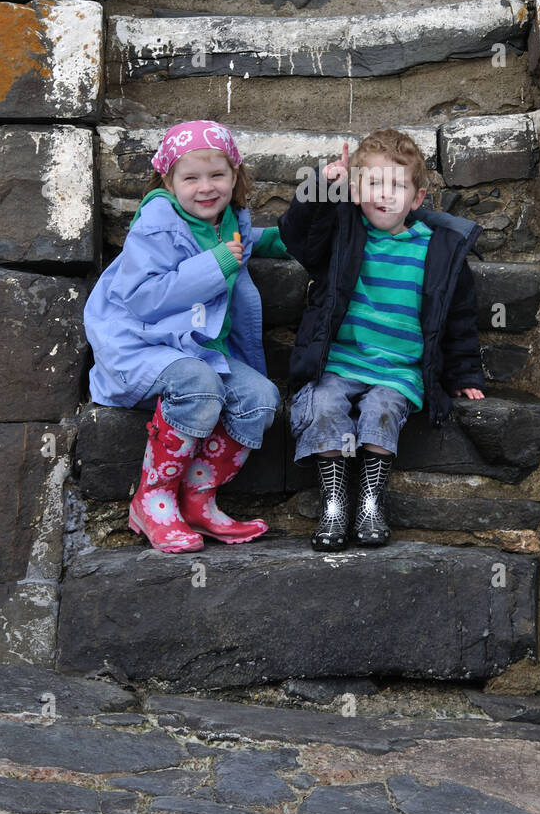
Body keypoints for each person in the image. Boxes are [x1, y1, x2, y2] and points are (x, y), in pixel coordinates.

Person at [278, 128, 485, 552]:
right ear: (355, 190)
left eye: (396, 186)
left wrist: (463, 372)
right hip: (339, 362)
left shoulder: (439, 251)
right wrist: (321, 186)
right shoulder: (343, 235)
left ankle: (370, 499)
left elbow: (458, 316)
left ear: (417, 198)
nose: (384, 195)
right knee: (322, 404)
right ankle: (334, 501)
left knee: (383, 408)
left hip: (397, 369)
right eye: (374, 183)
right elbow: (297, 237)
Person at [84, 120, 285, 554]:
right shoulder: (156, 223)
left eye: (217, 175)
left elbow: (244, 242)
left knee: (261, 399)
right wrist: (216, 267)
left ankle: (198, 499)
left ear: (236, 176)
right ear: (169, 182)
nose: (205, 187)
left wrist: (294, 239)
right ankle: (152, 499)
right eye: (190, 178)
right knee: (199, 384)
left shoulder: (229, 221)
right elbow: (142, 297)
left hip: (197, 349)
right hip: (140, 344)